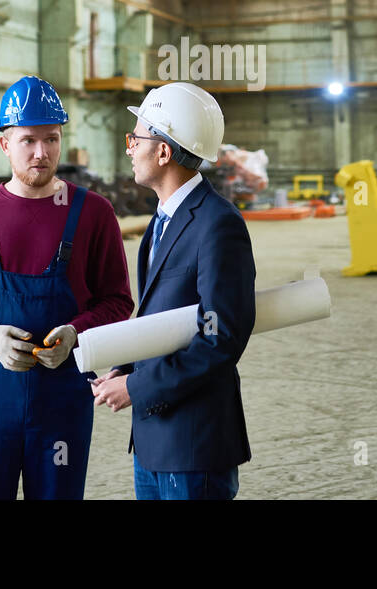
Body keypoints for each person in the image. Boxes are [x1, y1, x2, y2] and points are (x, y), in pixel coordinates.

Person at [0, 75, 134, 499]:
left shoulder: (94, 214)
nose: (41, 153)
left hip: (62, 403)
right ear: (5, 144)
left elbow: (117, 301)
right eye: (28, 140)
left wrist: (78, 332)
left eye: (52, 139)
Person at [92, 82, 256, 500]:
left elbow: (221, 339)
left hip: (193, 444)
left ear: (163, 152)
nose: (129, 148)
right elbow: (164, 319)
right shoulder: (163, 220)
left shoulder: (217, 225)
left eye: (136, 137)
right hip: (154, 440)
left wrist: (137, 389)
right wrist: (128, 369)